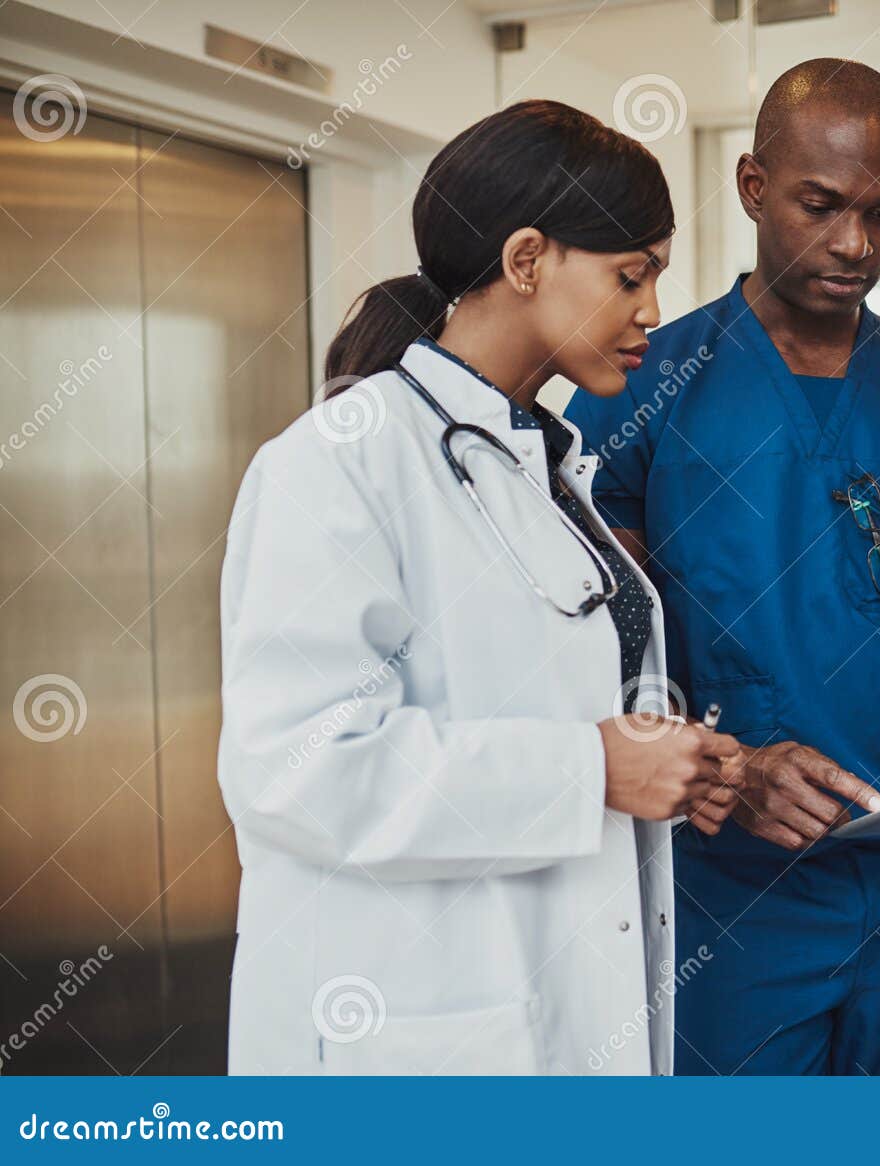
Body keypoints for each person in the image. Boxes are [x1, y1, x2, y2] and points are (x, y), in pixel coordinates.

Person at [217, 100, 741, 1076]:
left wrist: (654, 760)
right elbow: (293, 767)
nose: (653, 313)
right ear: (529, 258)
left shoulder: (546, 464)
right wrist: (594, 770)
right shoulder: (342, 463)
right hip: (418, 1024)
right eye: (633, 275)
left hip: (555, 991)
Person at [565, 58, 880, 1076]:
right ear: (753, 188)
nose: (855, 243)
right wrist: (726, 769)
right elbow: (593, 654)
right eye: (820, 205)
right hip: (726, 880)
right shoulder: (645, 386)